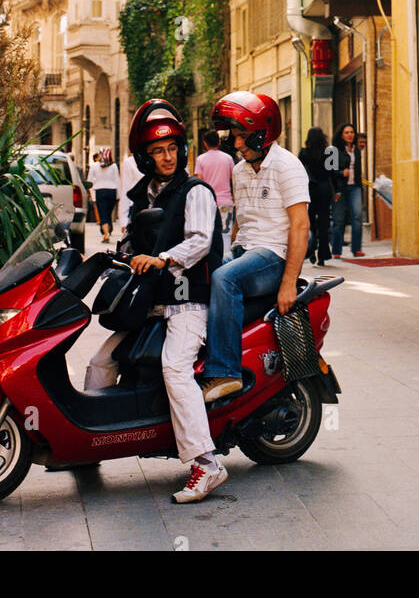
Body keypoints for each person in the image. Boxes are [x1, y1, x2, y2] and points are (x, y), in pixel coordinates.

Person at [84, 100, 227, 504]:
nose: (166, 157)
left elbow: (200, 241)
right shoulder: (143, 193)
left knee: (174, 368)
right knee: (100, 362)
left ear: (182, 150)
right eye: (157, 151)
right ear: (145, 156)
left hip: (186, 301)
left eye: (172, 149)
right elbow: (132, 239)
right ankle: (86, 448)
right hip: (151, 302)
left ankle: (208, 463)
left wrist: (163, 259)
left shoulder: (195, 191)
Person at [200, 91, 310, 403]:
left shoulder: (287, 166)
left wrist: (289, 283)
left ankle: (225, 373)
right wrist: (227, 253)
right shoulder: (239, 169)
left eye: (243, 137)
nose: (236, 144)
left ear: (263, 134)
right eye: (234, 137)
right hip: (247, 250)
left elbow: (301, 225)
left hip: (274, 254)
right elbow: (240, 221)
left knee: (226, 279)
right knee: (203, 275)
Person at [195, 129, 235, 249]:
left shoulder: (200, 160)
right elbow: (234, 179)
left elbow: (199, 182)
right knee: (226, 235)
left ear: (205, 143)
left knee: (209, 234)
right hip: (226, 203)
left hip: (208, 204)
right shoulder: (228, 158)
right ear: (219, 142)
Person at [299, 125, 333, 267]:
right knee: (324, 223)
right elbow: (332, 172)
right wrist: (336, 190)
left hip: (310, 190)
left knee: (310, 222)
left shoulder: (303, 153)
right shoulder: (330, 153)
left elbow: (300, 172)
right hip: (325, 190)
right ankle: (323, 255)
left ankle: (311, 250)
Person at [330, 122, 364, 258]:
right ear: (341, 135)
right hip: (339, 188)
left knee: (357, 216)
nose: (350, 135)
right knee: (339, 220)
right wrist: (340, 173)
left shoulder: (356, 149)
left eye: (352, 132)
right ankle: (337, 250)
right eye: (347, 133)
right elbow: (329, 170)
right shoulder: (333, 150)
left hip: (355, 187)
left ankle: (356, 249)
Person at [90, 147, 120, 244]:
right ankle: (107, 230)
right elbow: (117, 180)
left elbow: (90, 181)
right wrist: (119, 195)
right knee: (107, 213)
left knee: (103, 213)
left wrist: (92, 194)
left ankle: (106, 233)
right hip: (112, 191)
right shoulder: (114, 166)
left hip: (100, 191)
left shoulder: (94, 166)